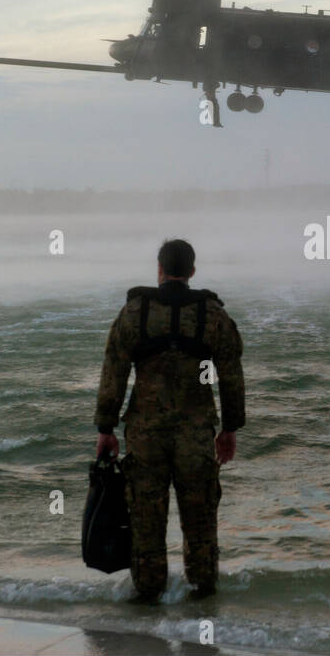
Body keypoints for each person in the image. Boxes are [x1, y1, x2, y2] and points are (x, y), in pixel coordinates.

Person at [94, 239, 245, 602]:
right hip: (196, 434)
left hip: (146, 435)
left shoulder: (134, 313)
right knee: (200, 521)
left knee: (146, 520)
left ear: (159, 270)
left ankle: (149, 603)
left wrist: (106, 429)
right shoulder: (213, 316)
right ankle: (203, 599)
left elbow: (113, 372)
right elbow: (231, 375)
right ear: (192, 272)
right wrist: (229, 429)